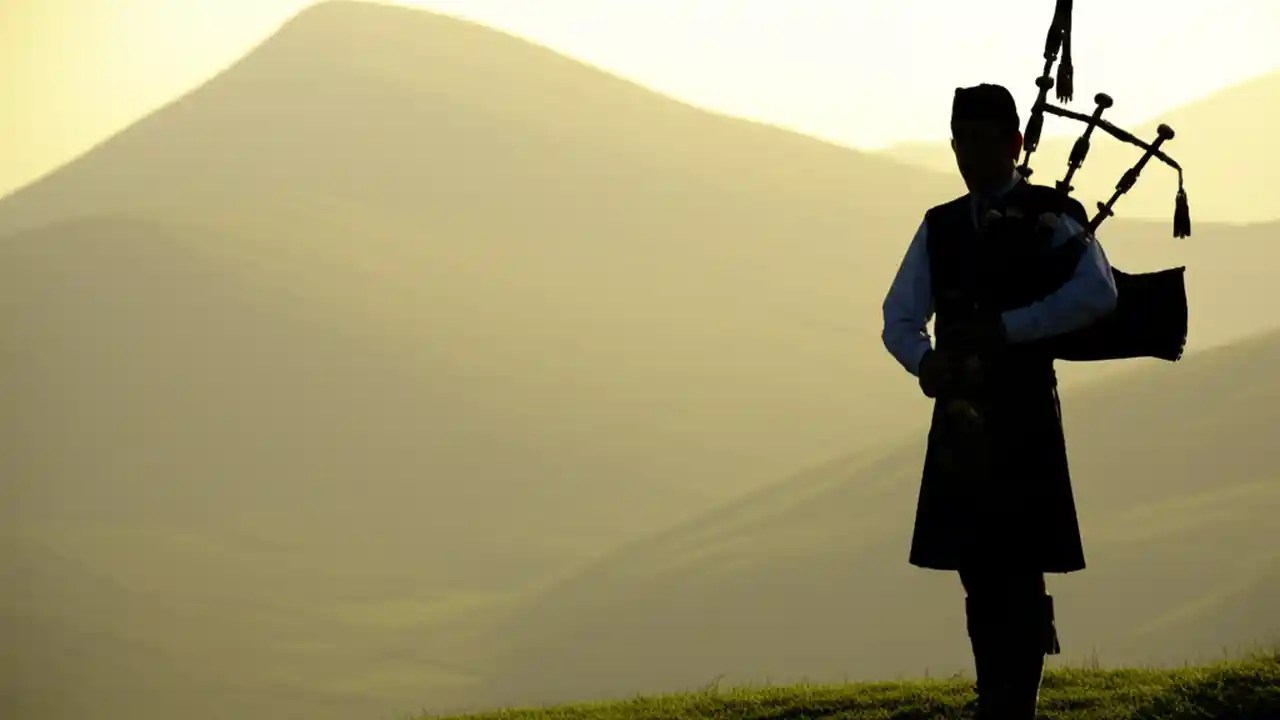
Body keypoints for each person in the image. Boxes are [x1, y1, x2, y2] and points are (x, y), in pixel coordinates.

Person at [881, 83, 1119, 719]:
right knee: (976, 564)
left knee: (1019, 562)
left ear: (1015, 143)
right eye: (963, 142)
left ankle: (1017, 701)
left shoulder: (1051, 215)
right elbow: (899, 317)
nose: (972, 155)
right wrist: (925, 363)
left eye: (986, 141)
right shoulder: (942, 226)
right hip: (961, 412)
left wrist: (1010, 328)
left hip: (1024, 411)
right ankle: (997, 695)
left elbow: (1098, 294)